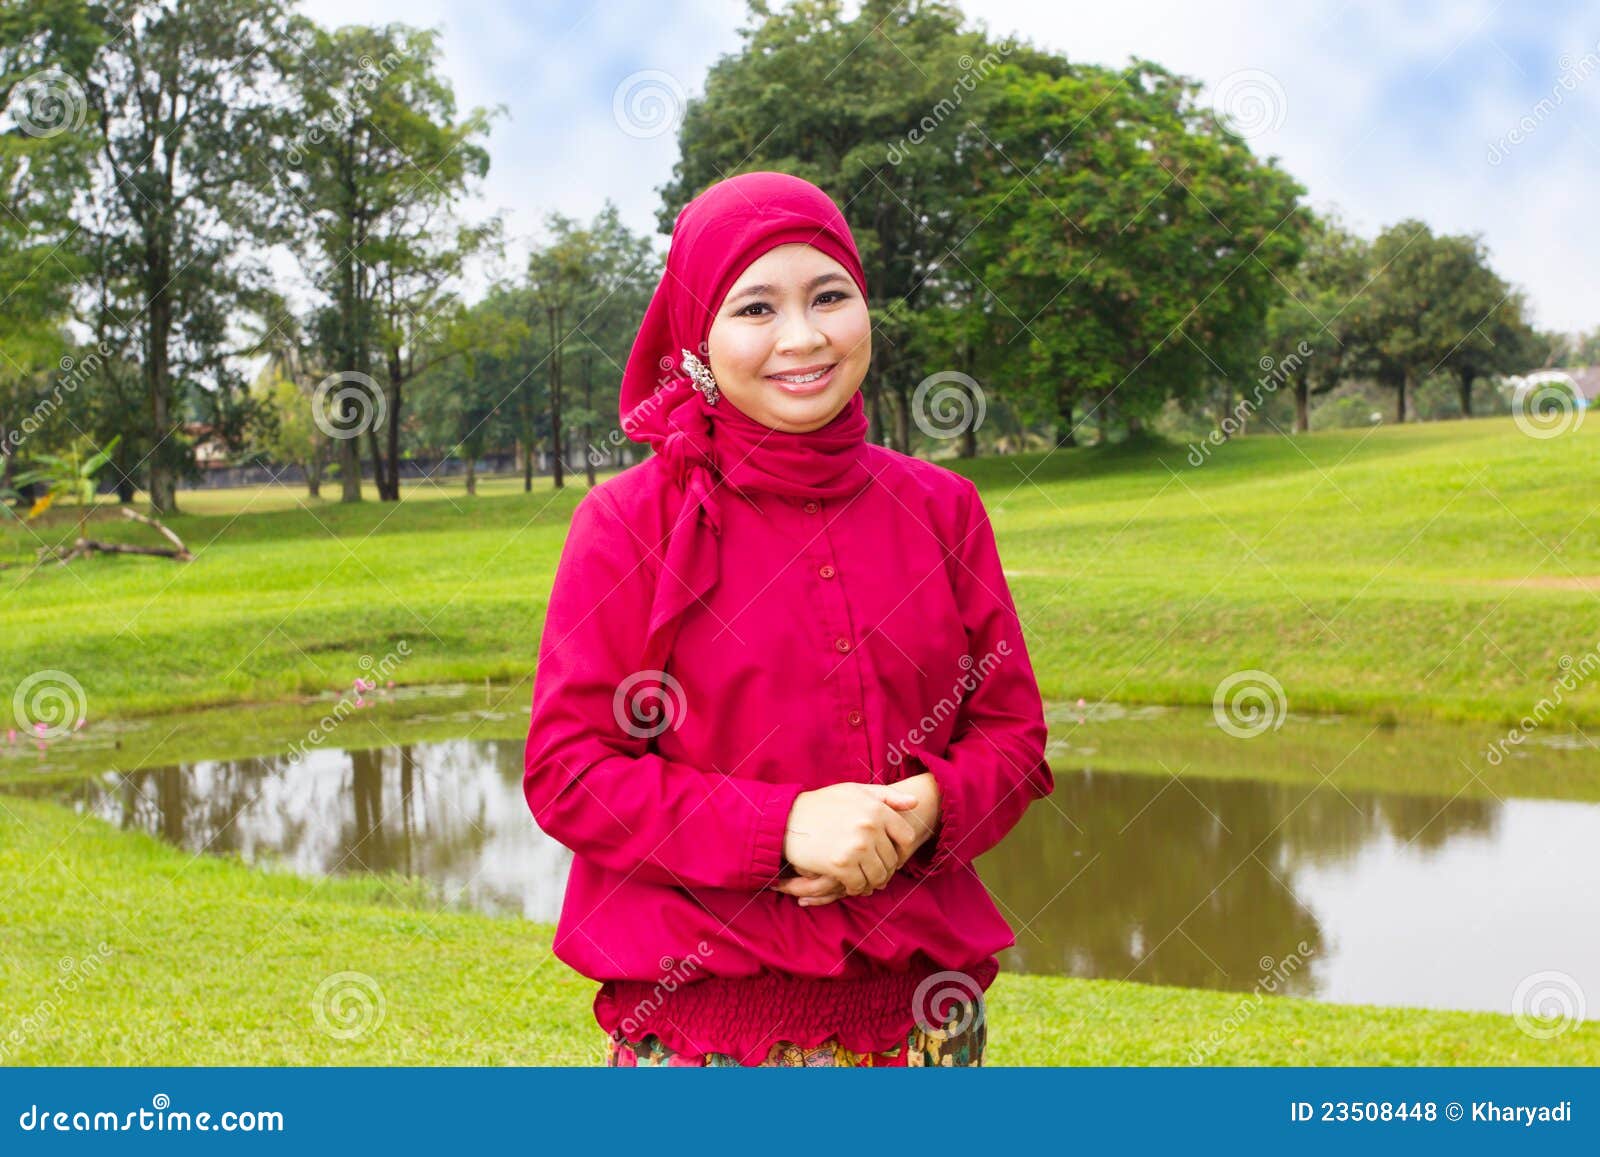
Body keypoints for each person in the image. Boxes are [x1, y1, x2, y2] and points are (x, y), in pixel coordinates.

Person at [522, 170, 1054, 1068]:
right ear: (698, 337)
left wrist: (929, 805)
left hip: (928, 1026)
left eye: (829, 296)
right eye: (755, 308)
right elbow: (568, 772)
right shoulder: (625, 525)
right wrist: (780, 828)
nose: (803, 338)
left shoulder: (943, 508)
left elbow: (1011, 734)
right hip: (710, 1039)